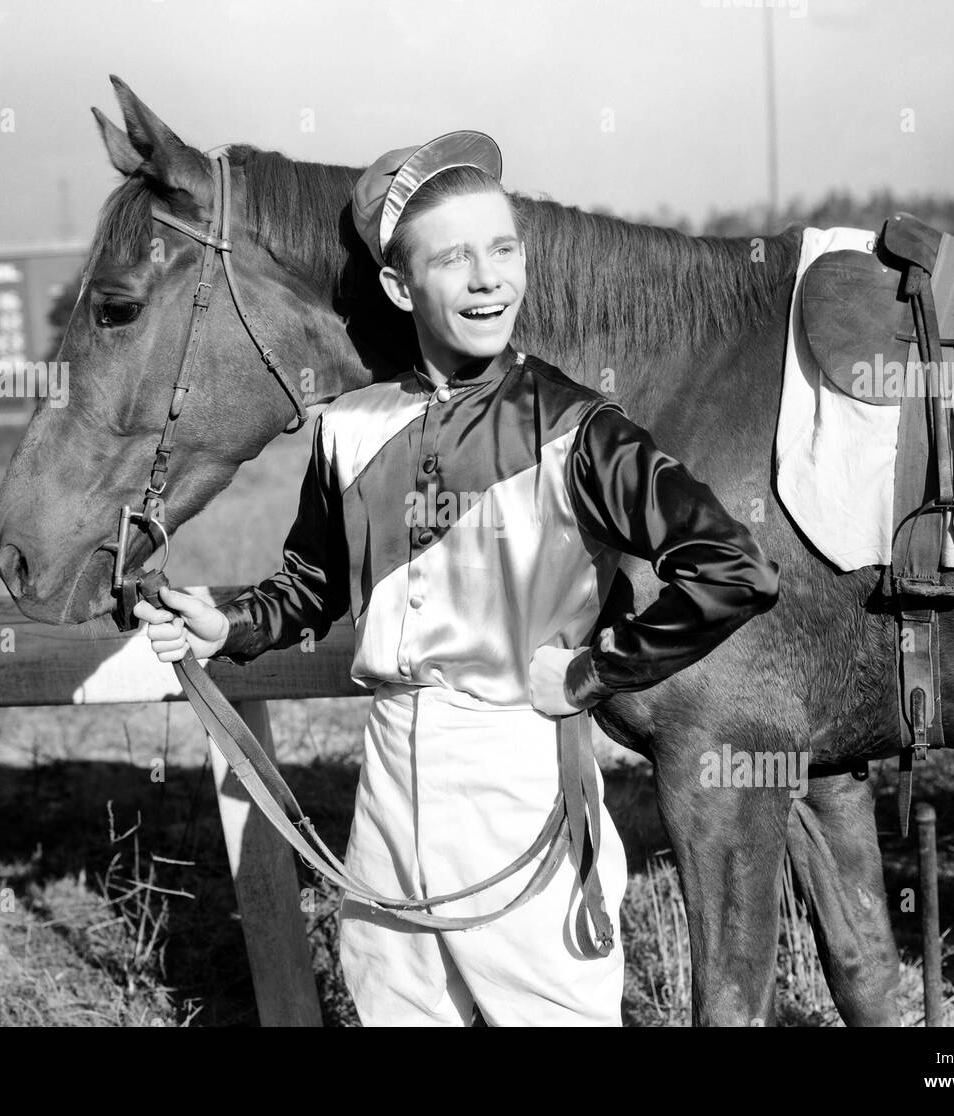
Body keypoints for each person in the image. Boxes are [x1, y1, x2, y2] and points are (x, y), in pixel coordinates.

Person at [133, 131, 781, 1027]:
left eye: (504, 250)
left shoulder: (580, 428)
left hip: (519, 775)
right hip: (387, 782)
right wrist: (231, 622)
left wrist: (596, 672)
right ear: (402, 287)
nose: (490, 280)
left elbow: (733, 570)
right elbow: (312, 586)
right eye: (456, 258)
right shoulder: (346, 428)